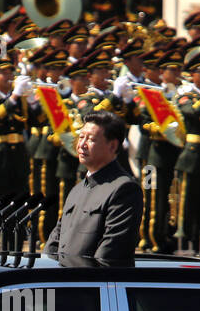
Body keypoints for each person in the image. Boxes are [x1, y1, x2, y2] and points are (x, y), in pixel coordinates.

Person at [42, 111, 142, 262]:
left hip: (95, 283)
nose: (82, 144)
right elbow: (55, 242)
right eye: (81, 137)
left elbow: (110, 253)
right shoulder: (78, 188)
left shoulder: (123, 188)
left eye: (91, 139)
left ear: (112, 145)